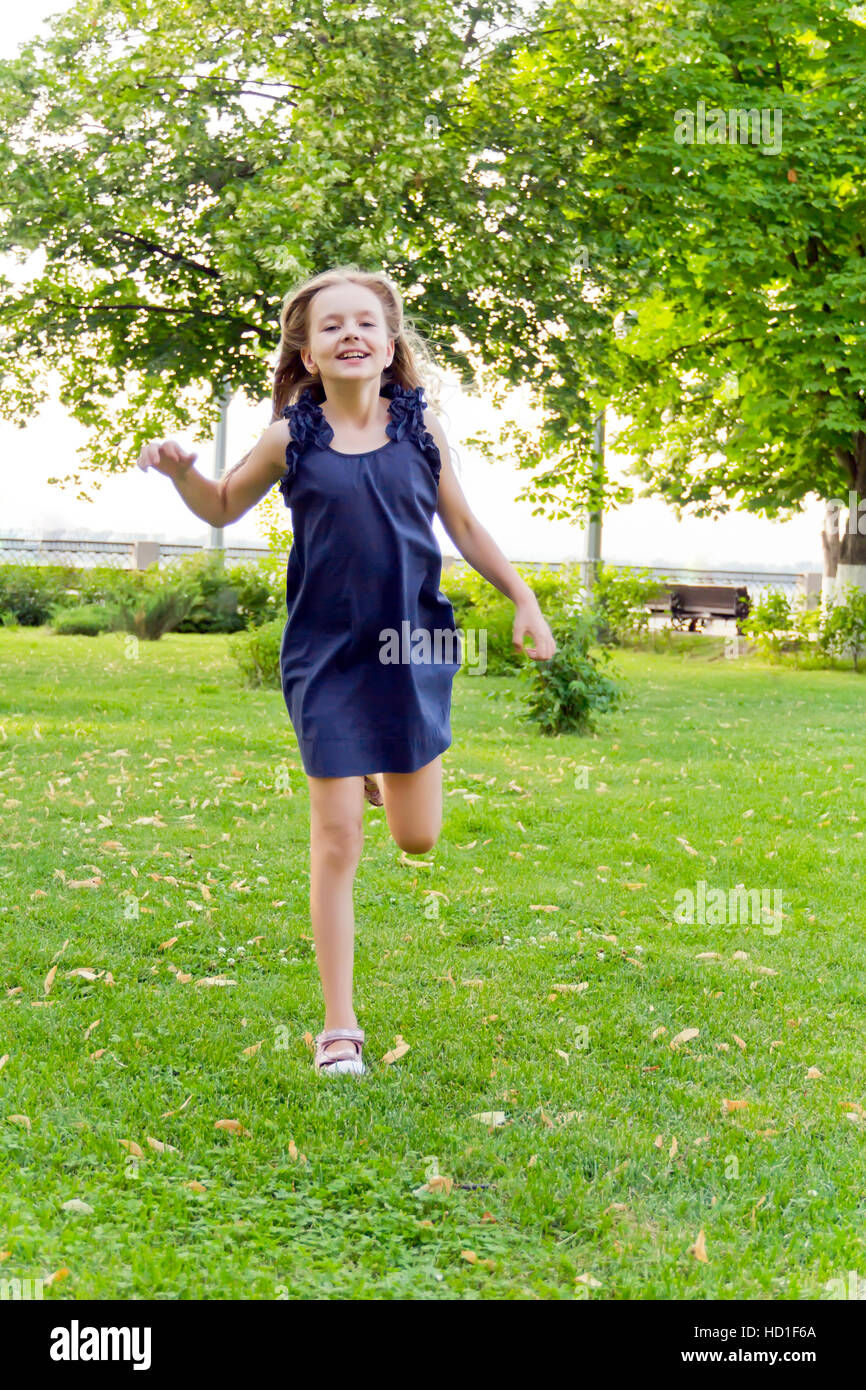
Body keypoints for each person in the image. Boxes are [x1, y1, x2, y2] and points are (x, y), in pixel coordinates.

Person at [135, 267, 557, 1077]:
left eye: (367, 322)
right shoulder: (292, 435)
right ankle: (339, 1030)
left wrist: (523, 599)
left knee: (417, 837)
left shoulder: (418, 427)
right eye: (332, 326)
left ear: (391, 344)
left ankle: (374, 767)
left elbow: (463, 526)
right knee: (337, 843)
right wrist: (183, 471)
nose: (351, 334)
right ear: (307, 350)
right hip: (325, 656)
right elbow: (223, 504)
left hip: (415, 647)